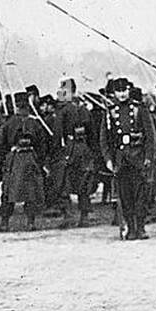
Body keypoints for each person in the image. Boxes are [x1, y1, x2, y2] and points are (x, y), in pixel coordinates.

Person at [101, 78, 156, 240]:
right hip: (120, 160)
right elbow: (104, 139)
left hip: (138, 157)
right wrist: (108, 160)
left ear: (129, 90)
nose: (122, 94)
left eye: (125, 90)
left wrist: (148, 157)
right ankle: (131, 228)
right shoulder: (110, 112)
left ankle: (141, 227)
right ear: (114, 93)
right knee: (125, 196)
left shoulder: (140, 109)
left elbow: (150, 136)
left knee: (141, 195)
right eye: (118, 91)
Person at [0, 91, 48, 231]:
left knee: (8, 192)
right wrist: (39, 161)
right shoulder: (35, 123)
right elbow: (42, 145)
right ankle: (30, 222)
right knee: (31, 192)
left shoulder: (8, 123)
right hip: (30, 159)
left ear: (16, 106)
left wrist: (3, 163)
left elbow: (0, 146)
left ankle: (4, 223)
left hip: (14, 160)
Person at [57, 78, 97, 226]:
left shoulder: (64, 110)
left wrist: (58, 152)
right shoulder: (85, 109)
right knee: (84, 182)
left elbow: (57, 133)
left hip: (70, 148)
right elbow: (92, 133)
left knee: (64, 181)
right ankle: (84, 217)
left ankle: (67, 216)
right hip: (84, 149)